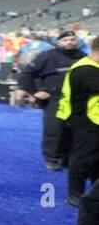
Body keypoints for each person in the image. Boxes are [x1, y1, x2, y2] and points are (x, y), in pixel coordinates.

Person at [17, 29, 84, 171]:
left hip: (78, 100)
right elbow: (27, 74)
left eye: (72, 40)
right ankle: (52, 158)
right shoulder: (46, 56)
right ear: (58, 42)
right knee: (55, 130)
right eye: (65, 40)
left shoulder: (83, 57)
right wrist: (34, 93)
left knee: (74, 130)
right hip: (55, 99)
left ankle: (69, 158)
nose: (69, 42)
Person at [55, 36, 99, 206]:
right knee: (83, 158)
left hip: (91, 119)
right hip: (86, 121)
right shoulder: (85, 69)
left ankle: (92, 193)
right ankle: (75, 194)